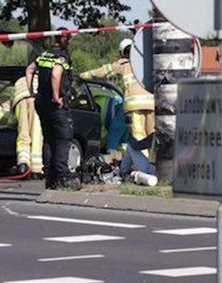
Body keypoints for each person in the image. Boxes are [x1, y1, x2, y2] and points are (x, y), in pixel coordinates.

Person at [80, 38, 155, 159]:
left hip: (134, 106)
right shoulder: (146, 61)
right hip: (151, 104)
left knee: (139, 138)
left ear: (122, 53)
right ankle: (155, 167)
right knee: (152, 137)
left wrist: (82, 75)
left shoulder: (123, 64)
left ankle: (144, 168)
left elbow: (101, 72)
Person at [27, 30, 78, 190]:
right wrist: (57, 96)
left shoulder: (44, 55)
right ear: (64, 40)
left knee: (49, 140)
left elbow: (29, 70)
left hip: (41, 102)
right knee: (63, 140)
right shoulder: (61, 57)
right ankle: (62, 178)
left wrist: (32, 92)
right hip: (56, 105)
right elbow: (56, 75)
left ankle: (50, 179)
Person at [11, 71, 43, 178]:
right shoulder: (42, 80)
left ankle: (23, 164)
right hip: (35, 101)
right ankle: (36, 169)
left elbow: (11, 101)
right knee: (36, 135)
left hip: (19, 102)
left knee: (23, 134)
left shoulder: (19, 81)